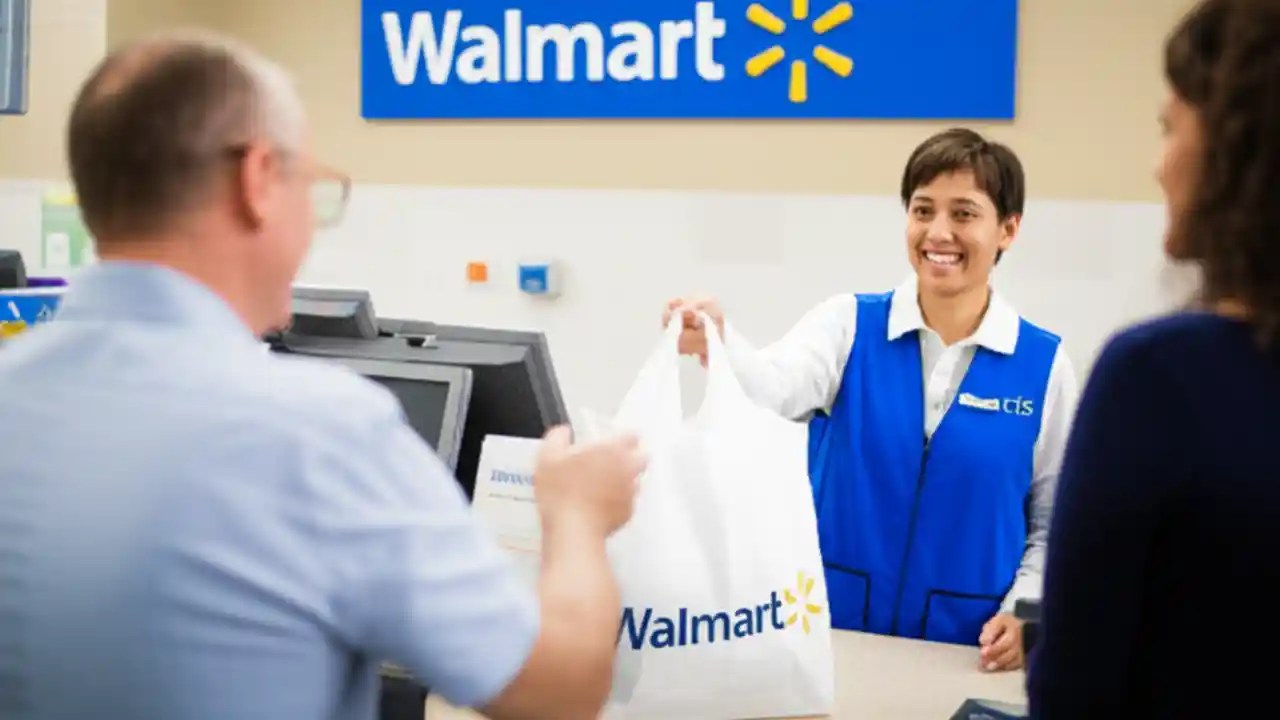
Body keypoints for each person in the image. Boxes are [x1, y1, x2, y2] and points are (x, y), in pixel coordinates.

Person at [0, 32, 645, 720]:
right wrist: (577, 517)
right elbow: (557, 690)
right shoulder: (320, 435)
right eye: (308, 185)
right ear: (256, 182)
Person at [665, 128, 1078, 672]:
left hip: (964, 651)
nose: (938, 232)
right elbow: (772, 387)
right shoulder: (849, 325)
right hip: (833, 637)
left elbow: (1055, 523)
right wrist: (721, 343)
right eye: (923, 210)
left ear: (1008, 229)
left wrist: (1027, 612)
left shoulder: (1044, 367)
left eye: (964, 214)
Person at [1028, 0, 1280, 715]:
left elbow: (1072, 689)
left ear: (1239, 152)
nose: (1158, 164)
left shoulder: (1159, 378)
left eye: (1171, 127)